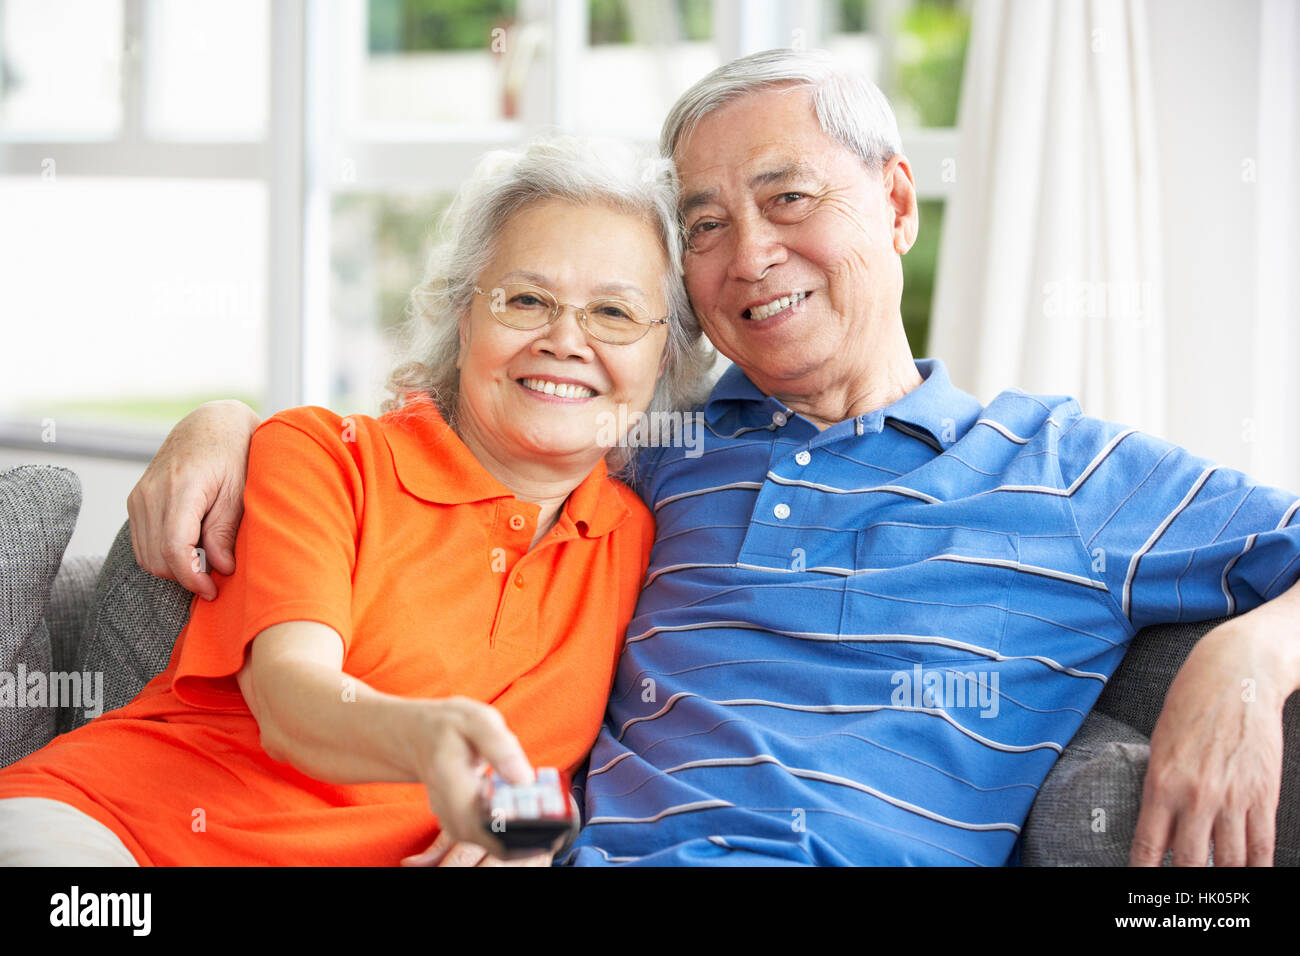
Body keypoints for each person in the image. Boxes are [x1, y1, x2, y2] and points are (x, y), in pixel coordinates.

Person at [126, 50, 1300, 867]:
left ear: (895, 203)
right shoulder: (652, 464)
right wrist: (223, 420)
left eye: (788, 197)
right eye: (703, 224)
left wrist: (1252, 654)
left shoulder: (1068, 475)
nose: (748, 256)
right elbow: (418, 466)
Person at [0, 136, 713, 866]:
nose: (565, 338)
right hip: (109, 831)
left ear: (665, 356)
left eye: (615, 314)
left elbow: (577, 770)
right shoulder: (325, 457)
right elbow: (292, 703)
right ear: (463, 319)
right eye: (525, 299)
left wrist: (521, 837)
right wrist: (430, 740)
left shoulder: (649, 544)